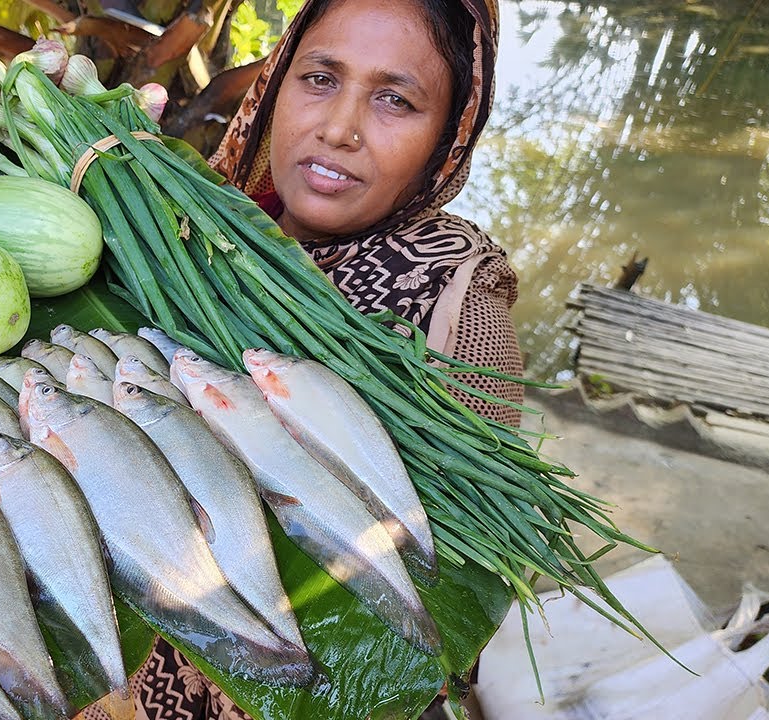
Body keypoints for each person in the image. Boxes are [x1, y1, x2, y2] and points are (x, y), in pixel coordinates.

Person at [83, 0, 522, 717]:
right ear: (278, 79)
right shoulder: (180, 218)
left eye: (395, 99)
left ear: (450, 133)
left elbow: (448, 588)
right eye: (319, 78)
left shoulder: (457, 299)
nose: (339, 128)